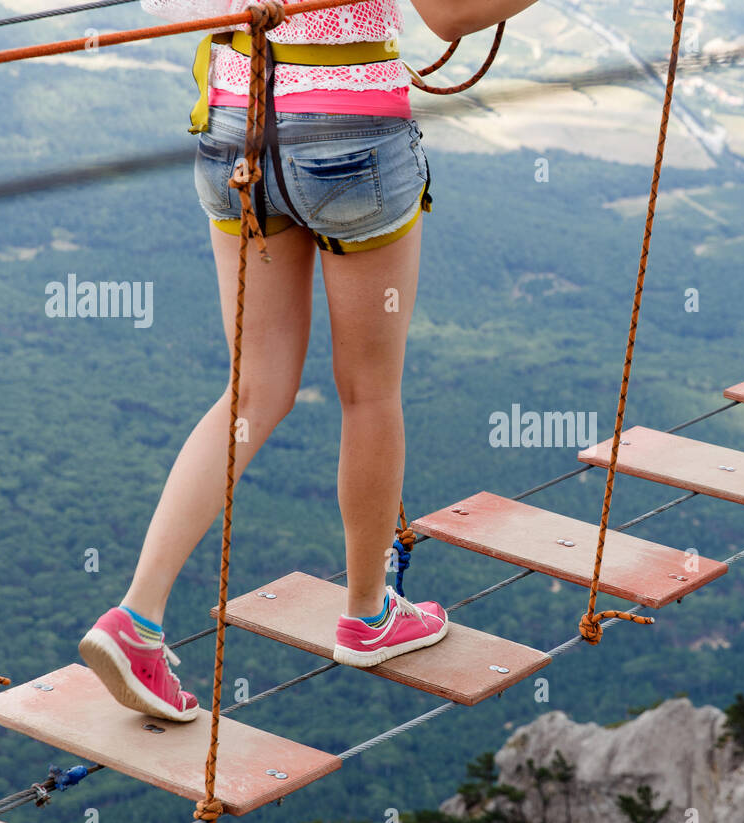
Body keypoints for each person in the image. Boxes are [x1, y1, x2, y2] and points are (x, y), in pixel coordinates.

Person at [78, 0, 537, 722]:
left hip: (235, 122)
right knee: (368, 391)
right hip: (350, 131)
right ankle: (366, 613)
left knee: (251, 390)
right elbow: (450, 17)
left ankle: (137, 617)